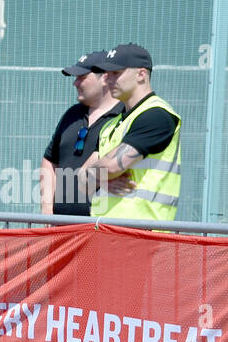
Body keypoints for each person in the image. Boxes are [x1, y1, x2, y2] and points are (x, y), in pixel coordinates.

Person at [81, 44, 182, 221]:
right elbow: (80, 179)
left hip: (144, 235)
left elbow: (111, 167)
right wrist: (102, 178)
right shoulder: (111, 124)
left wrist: (95, 174)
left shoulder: (156, 115)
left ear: (141, 74)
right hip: (106, 230)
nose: (107, 80)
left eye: (116, 73)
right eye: (106, 74)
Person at [40, 50, 123, 217]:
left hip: (101, 229)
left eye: (82, 77)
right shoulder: (72, 115)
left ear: (105, 77)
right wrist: (47, 207)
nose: (75, 83)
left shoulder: (125, 116)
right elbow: (50, 160)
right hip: (61, 228)